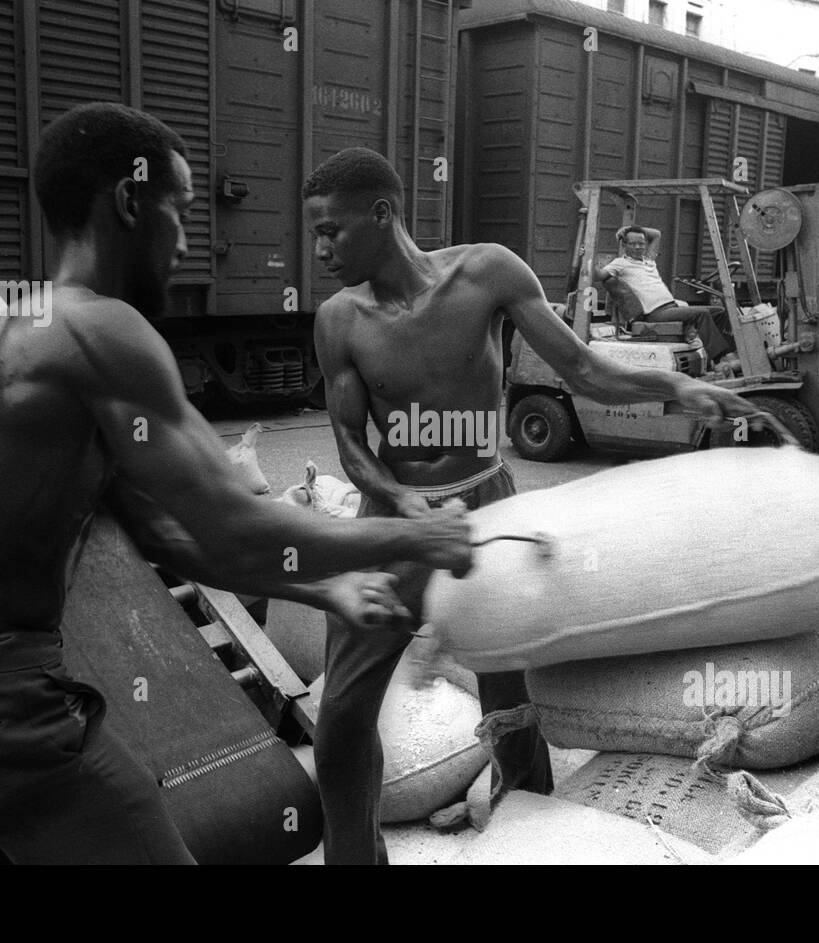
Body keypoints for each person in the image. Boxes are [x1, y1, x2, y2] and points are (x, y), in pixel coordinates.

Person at [0, 104, 475, 865]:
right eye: (180, 211)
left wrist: (324, 589)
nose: (186, 241)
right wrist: (419, 533)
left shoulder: (19, 326)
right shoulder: (104, 330)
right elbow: (234, 519)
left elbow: (172, 535)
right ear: (130, 203)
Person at [304, 147, 761, 864]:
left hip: (490, 513)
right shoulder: (339, 320)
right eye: (316, 235)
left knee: (509, 697)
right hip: (394, 521)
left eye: (331, 231)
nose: (321, 250)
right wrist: (401, 501)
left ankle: (525, 837)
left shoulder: (487, 272)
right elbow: (351, 447)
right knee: (340, 717)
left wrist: (673, 388)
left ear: (382, 214)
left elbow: (581, 367)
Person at [595, 225, 733, 361]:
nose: (637, 247)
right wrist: (589, 258)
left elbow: (656, 234)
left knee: (719, 312)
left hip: (671, 307)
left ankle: (727, 352)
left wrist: (629, 228)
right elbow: (599, 276)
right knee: (702, 314)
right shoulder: (620, 263)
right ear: (624, 245)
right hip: (655, 313)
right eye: (632, 243)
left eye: (641, 243)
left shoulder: (649, 259)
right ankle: (721, 359)